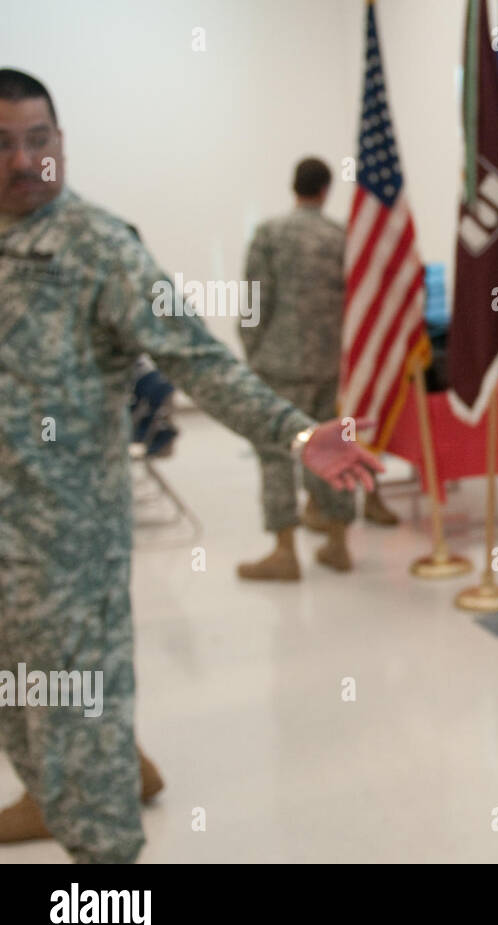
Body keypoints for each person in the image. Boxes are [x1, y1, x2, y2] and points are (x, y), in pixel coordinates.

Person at [0, 68, 381, 863]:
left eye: (38, 140)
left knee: (85, 733)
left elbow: (197, 358)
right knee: (20, 712)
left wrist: (295, 432)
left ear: (61, 143)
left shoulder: (99, 246)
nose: (23, 159)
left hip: (66, 553)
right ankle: (48, 794)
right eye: (3, 144)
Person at [237, 157, 360, 580]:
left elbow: (255, 300)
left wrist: (251, 351)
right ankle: (339, 542)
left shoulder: (270, 234)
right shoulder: (339, 237)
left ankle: (284, 549)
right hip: (328, 363)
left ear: (294, 186)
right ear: (325, 190)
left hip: (278, 364)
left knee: (275, 453)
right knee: (331, 447)